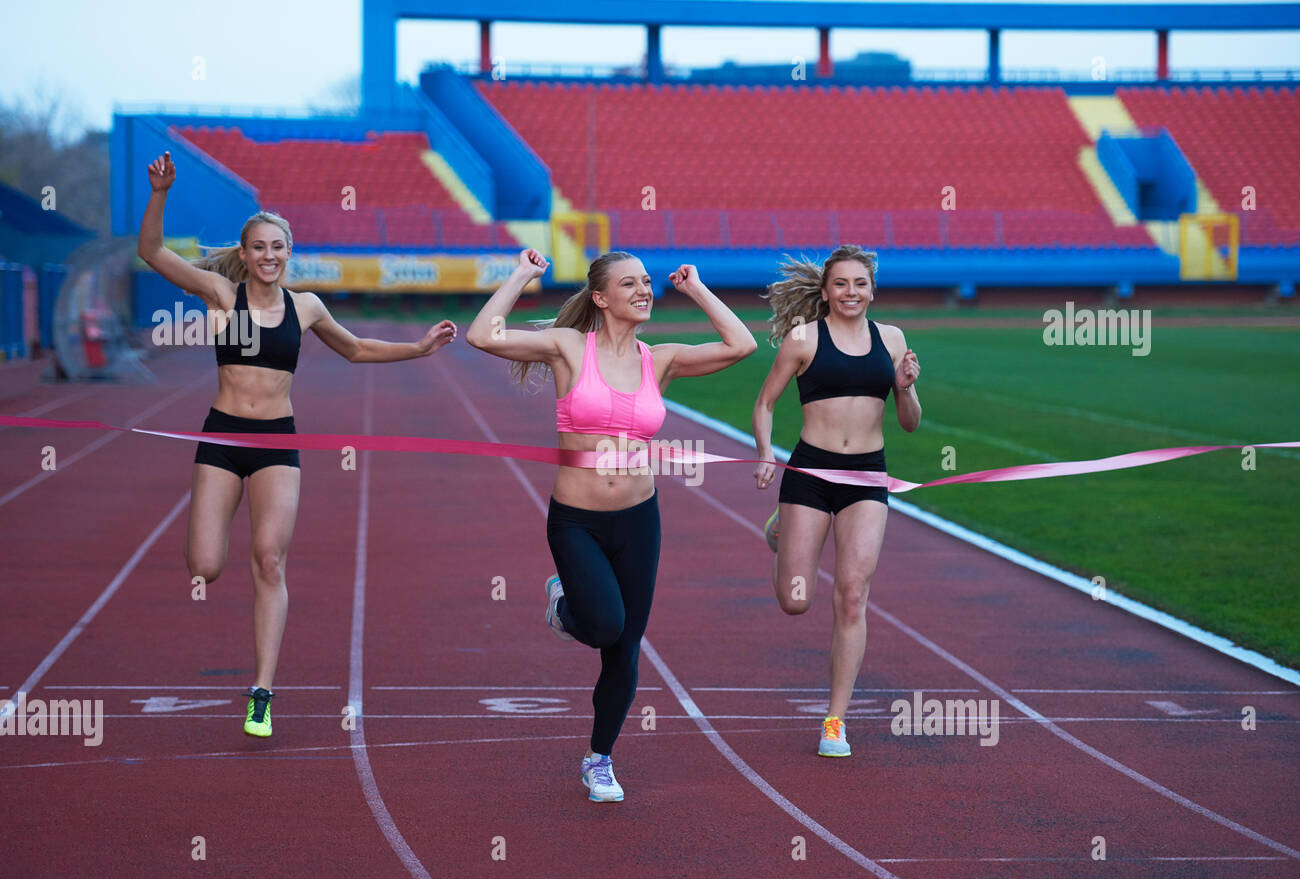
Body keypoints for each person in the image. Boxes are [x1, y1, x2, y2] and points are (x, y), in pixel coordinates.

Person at [137, 151, 455, 737]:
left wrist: (418, 348)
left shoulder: (305, 307)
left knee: (269, 560)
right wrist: (159, 194)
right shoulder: (220, 293)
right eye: (259, 247)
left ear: (289, 252)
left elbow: (356, 348)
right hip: (223, 437)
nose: (269, 256)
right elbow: (152, 253)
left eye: (278, 247)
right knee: (204, 565)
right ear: (244, 253)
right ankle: (215, 569)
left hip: (277, 443)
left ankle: (262, 691)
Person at [467, 248, 756, 801]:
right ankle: (562, 607)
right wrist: (522, 277)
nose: (643, 290)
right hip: (577, 521)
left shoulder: (660, 358)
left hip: (639, 520)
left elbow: (740, 345)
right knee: (601, 624)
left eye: (647, 282)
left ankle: (600, 758)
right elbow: (484, 335)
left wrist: (696, 289)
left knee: (624, 646)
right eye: (630, 283)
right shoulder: (569, 347)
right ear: (601, 298)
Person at [752, 245, 921, 758]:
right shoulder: (803, 339)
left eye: (860, 284)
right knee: (795, 601)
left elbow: (910, 423)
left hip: (867, 477)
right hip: (809, 473)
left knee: (852, 596)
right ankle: (780, 530)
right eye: (842, 284)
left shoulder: (891, 340)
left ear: (872, 290)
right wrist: (765, 452)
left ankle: (835, 721)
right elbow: (765, 403)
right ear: (825, 292)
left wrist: (908, 388)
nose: (851, 293)